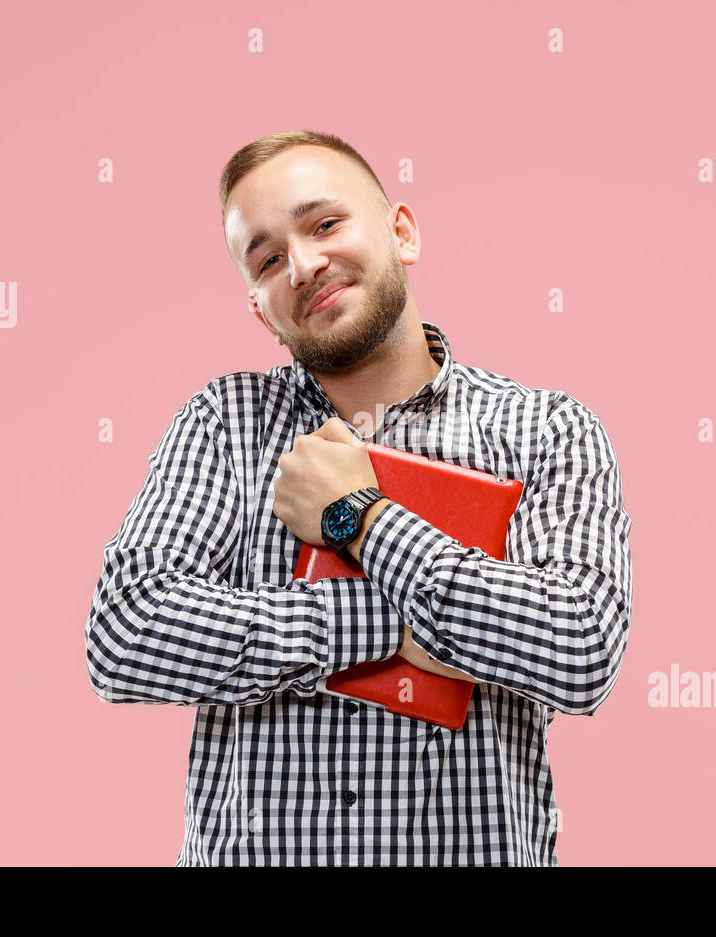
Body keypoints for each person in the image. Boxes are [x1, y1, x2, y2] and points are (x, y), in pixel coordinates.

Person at [84, 129, 633, 866]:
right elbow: (126, 634)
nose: (304, 265)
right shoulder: (226, 423)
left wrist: (360, 521)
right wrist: (393, 623)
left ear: (401, 232)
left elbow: (579, 648)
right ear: (260, 309)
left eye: (324, 225)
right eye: (269, 258)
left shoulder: (547, 433)